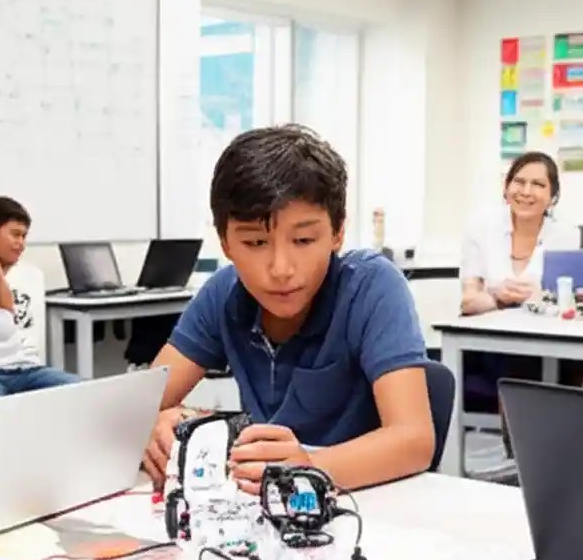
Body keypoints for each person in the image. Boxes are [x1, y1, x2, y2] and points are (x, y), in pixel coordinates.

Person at [140, 125, 435, 493]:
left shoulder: (371, 287)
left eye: (304, 240)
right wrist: (154, 423)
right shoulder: (224, 293)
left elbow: (414, 441)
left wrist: (307, 467)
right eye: (255, 242)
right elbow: (140, 405)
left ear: (337, 232)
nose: (281, 268)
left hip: (367, 504)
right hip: (264, 512)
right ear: (226, 243)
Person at [0, 196, 81, 429]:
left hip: (27, 368)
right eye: (14, 234)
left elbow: (32, 337)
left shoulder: (32, 274)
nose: (21, 243)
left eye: (24, 236)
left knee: (83, 392)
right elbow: (0, 329)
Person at [460, 151, 580, 314]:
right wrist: (497, 297)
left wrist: (538, 297)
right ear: (506, 187)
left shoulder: (566, 235)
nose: (526, 192)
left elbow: (568, 302)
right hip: (488, 330)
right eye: (519, 182)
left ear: (553, 196)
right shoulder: (482, 227)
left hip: (543, 333)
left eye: (538, 184)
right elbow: (468, 301)